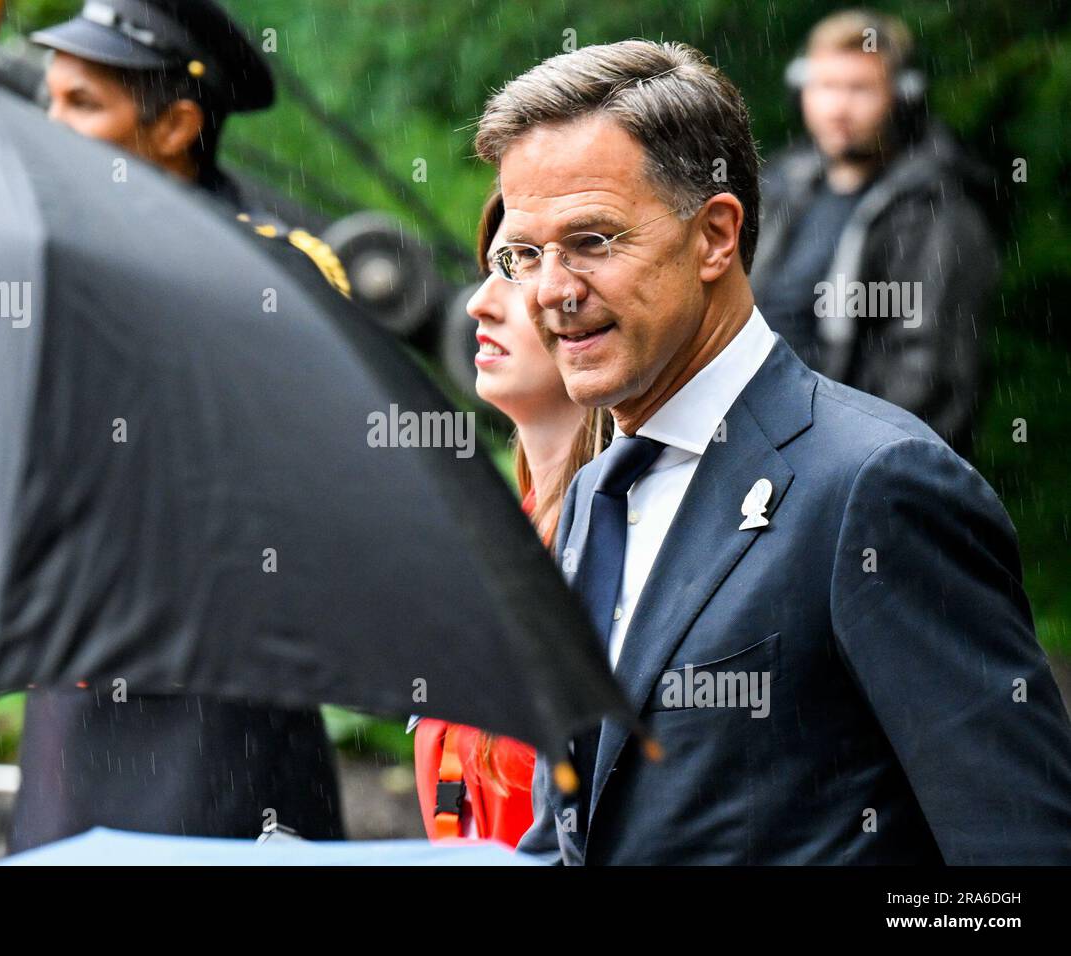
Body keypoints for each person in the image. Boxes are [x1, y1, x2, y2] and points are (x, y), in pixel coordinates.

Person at [473, 39, 1071, 864]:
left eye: (592, 241)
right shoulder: (591, 497)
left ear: (716, 235)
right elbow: (572, 834)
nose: (552, 291)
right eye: (525, 254)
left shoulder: (875, 485)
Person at [10, 0, 345, 851]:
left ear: (177, 126)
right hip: (73, 702)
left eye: (82, 104)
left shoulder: (277, 276)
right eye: (49, 100)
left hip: (222, 715)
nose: (50, 128)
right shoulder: (36, 261)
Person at [412, 192, 609, 845]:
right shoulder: (500, 536)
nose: (478, 302)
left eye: (518, 268)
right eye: (494, 267)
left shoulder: (628, 558)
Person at [752, 9, 997, 457]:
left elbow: (927, 372)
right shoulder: (784, 187)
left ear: (903, 97)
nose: (838, 107)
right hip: (764, 446)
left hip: (851, 465)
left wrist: (842, 462)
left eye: (859, 89)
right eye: (826, 86)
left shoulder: (937, 208)